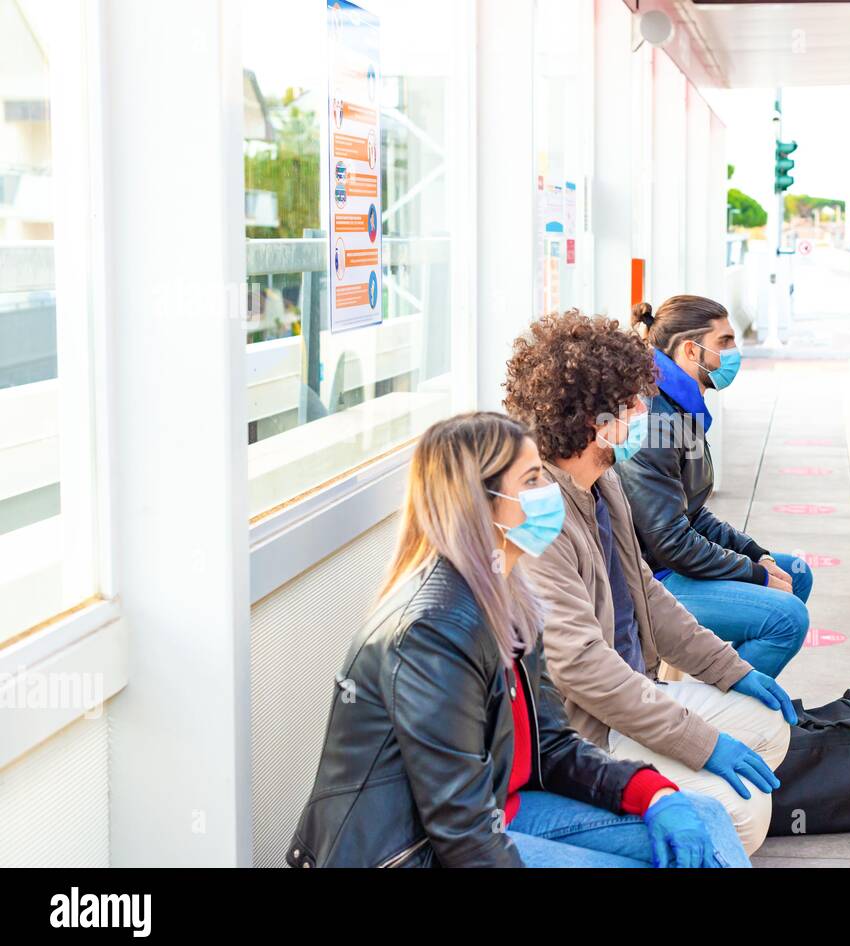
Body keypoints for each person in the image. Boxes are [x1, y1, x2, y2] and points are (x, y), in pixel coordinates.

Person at [286, 412, 749, 868]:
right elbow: (460, 830)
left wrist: (652, 794)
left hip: (507, 809)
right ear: (478, 501)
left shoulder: (509, 593)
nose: (548, 493)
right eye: (531, 481)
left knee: (701, 816)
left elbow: (551, 744)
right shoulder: (433, 630)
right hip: (418, 849)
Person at [503, 311, 797, 854]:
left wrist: (730, 670)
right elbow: (581, 668)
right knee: (745, 812)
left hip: (638, 693)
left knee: (770, 721)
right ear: (596, 418)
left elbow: (648, 592)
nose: (645, 412)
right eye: (634, 401)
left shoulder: (603, 481)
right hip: (588, 733)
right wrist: (702, 744)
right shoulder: (542, 516)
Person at [616, 295, 814, 679]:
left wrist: (755, 554)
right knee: (786, 619)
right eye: (724, 342)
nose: (734, 352)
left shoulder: (680, 406)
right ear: (692, 349)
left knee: (795, 574)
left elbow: (691, 512)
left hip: (669, 565)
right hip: (650, 582)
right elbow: (671, 541)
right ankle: (713, 720)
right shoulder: (657, 420)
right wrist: (753, 573)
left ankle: (719, 682)